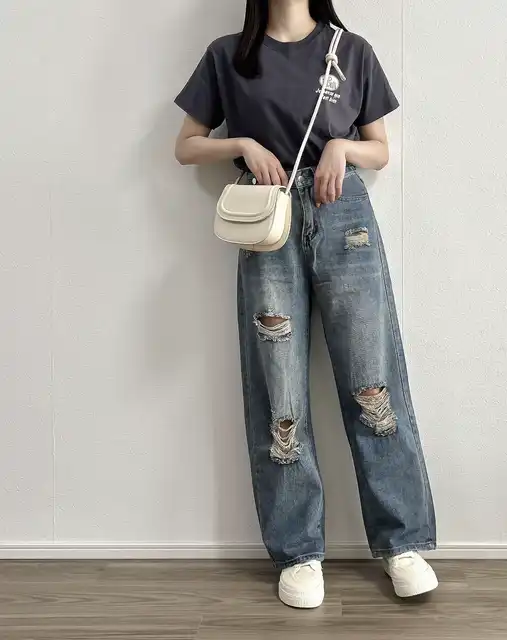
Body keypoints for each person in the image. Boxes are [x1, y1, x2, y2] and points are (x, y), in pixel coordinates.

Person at [174, 0, 437, 609]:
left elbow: (380, 149)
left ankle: (401, 542)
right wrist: (242, 143)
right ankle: (299, 551)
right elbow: (186, 146)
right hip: (267, 219)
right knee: (280, 388)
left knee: (372, 380)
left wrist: (344, 148)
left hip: (343, 215)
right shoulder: (227, 56)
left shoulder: (351, 50)